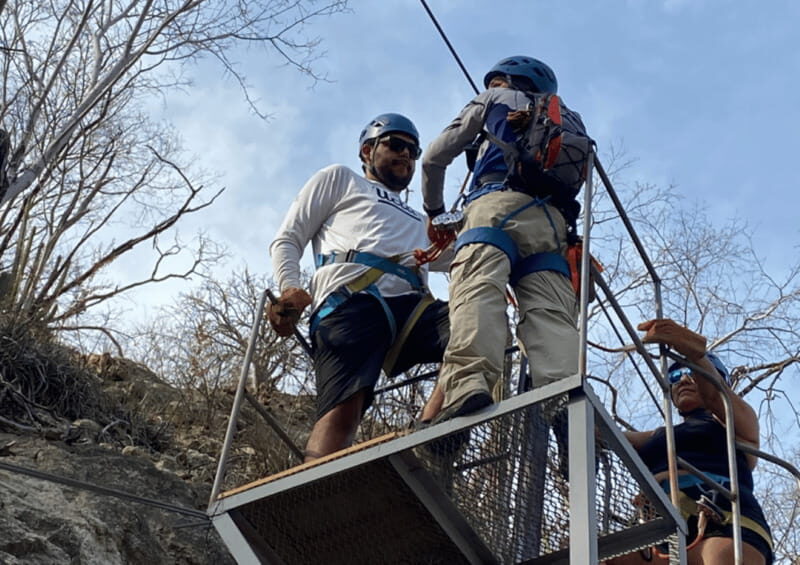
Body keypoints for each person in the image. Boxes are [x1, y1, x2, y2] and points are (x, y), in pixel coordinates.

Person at [269, 113, 450, 461]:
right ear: (368, 150)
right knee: (344, 410)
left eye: (413, 151)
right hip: (352, 299)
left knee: (473, 325)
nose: (406, 156)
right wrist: (289, 287)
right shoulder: (341, 180)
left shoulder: (421, 221)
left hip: (411, 307)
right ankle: (312, 490)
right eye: (396, 145)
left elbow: (467, 254)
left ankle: (433, 427)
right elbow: (288, 238)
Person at [420, 56, 582, 423]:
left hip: (494, 207)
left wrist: (435, 212)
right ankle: (567, 409)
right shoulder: (569, 119)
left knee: (478, 288)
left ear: (506, 80)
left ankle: (468, 385)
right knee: (551, 314)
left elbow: (433, 158)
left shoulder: (496, 99)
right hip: (552, 225)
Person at [607, 319, 773, 565]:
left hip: (721, 520)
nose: (683, 380)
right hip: (660, 528)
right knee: (596, 558)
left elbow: (716, 398)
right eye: (675, 376)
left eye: (690, 373)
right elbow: (608, 436)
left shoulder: (732, 422)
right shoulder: (658, 436)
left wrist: (694, 353)